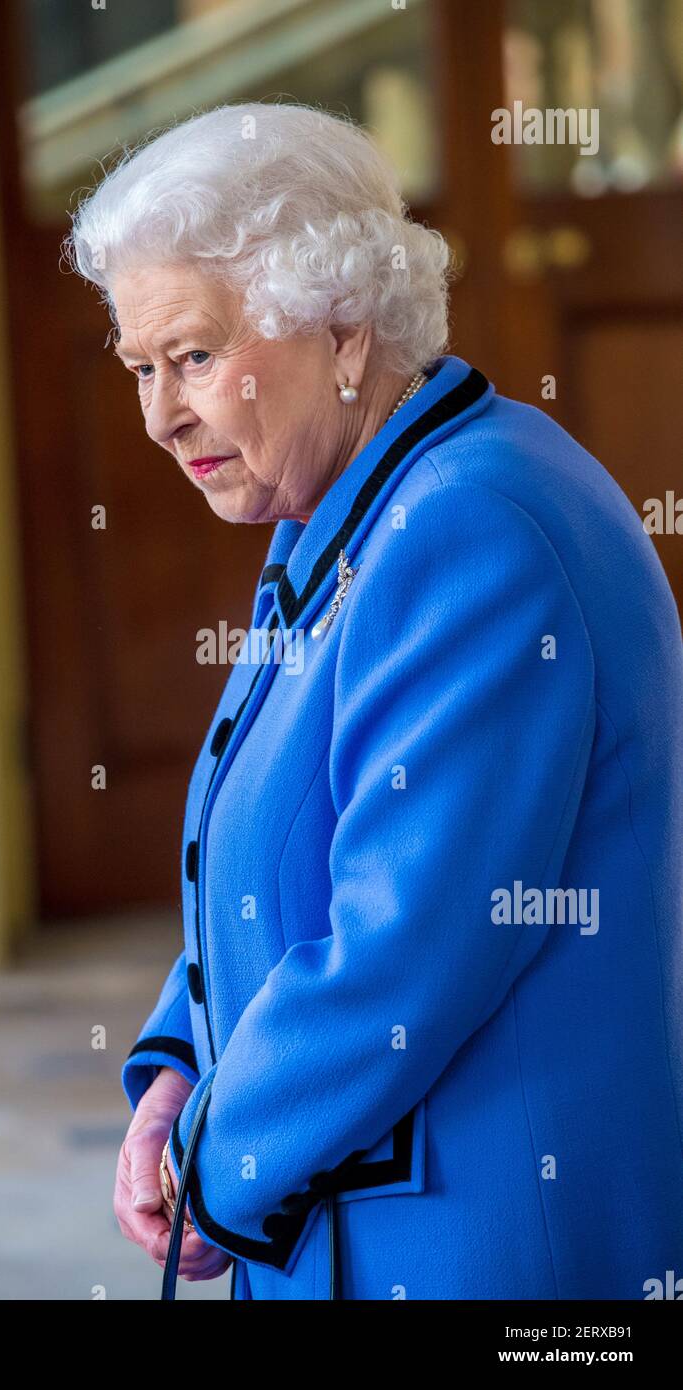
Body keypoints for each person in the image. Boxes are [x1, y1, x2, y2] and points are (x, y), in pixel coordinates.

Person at [66, 101, 683, 1299]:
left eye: (192, 356)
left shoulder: (468, 526)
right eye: (140, 367)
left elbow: (403, 948)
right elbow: (272, 859)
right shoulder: (344, 508)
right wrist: (180, 1072)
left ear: (339, 327)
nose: (157, 416)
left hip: (482, 1247)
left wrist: (213, 1164)